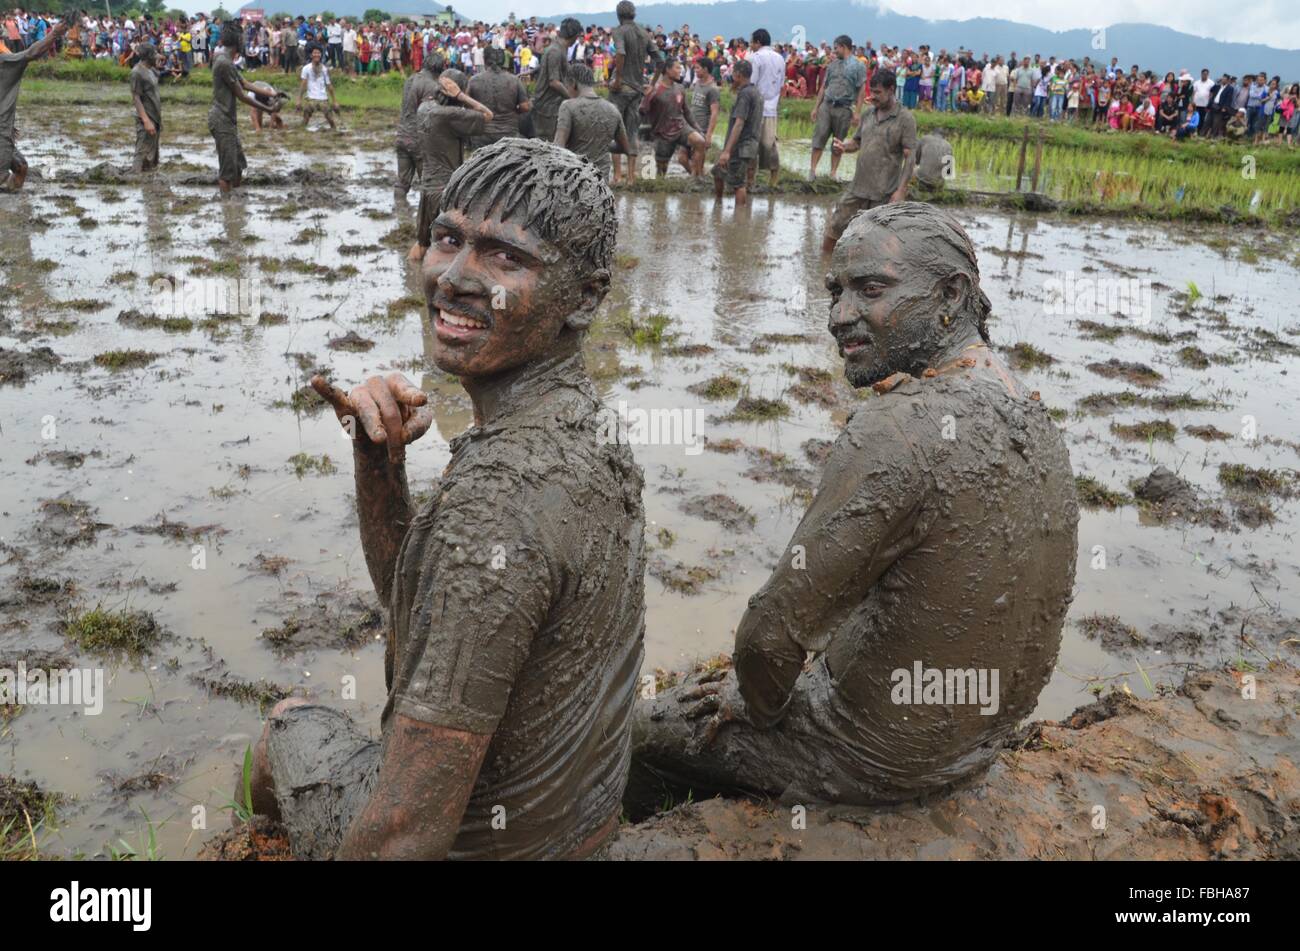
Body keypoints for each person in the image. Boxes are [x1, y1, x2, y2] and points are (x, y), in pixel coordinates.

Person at [244, 139, 645, 861]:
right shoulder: (593, 425)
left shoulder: (498, 500)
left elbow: (404, 838)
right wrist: (380, 462)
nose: (456, 277)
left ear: (583, 297)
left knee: (286, 727)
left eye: (504, 257)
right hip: (579, 830)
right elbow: (417, 610)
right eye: (447, 238)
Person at [628, 202, 1078, 814]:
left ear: (952, 294)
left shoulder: (900, 427)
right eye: (834, 291)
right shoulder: (1030, 410)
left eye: (871, 290)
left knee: (634, 734)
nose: (841, 316)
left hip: (873, 760)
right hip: (976, 745)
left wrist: (753, 704)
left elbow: (768, 639)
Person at [823, 67, 916, 255]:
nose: (873, 96)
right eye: (871, 91)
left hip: (883, 192)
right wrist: (843, 146)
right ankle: (823, 266)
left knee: (877, 241)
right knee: (835, 227)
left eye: (878, 92)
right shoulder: (868, 114)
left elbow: (910, 156)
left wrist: (900, 191)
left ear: (891, 90)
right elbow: (856, 142)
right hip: (857, 187)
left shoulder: (905, 118)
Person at [409, 69, 492, 261]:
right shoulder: (448, 114)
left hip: (427, 186)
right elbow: (487, 115)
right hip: (446, 191)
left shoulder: (424, 108)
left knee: (422, 242)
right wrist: (462, 96)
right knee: (452, 247)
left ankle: (410, 280)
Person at [210, 24, 281, 193]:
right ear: (237, 41)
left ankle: (236, 203)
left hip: (228, 120)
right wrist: (268, 109)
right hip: (221, 120)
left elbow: (246, 83)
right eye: (242, 39)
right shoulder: (223, 63)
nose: (245, 42)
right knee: (227, 171)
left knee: (239, 166)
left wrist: (272, 94)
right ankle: (228, 209)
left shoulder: (227, 61)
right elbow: (242, 95)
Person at [0, 18, 65, 192]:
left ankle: (11, 201)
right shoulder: (5, 62)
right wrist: (55, 33)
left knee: (21, 167)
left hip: (3, 128)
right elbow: (32, 53)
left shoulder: (6, 61)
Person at [608, 0, 659, 185]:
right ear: (634, 14)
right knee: (632, 132)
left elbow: (620, 52)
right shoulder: (644, 33)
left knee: (614, 131)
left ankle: (617, 175)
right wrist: (651, 84)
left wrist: (619, 79)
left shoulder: (619, 31)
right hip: (638, 89)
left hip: (621, 88)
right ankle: (630, 178)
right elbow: (659, 61)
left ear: (618, 15)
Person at [554, 62, 628, 181]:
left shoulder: (568, 106)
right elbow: (624, 147)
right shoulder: (613, 109)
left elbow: (558, 148)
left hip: (575, 180)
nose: (568, 92)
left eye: (567, 87)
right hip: (601, 183)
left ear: (573, 84)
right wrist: (602, 146)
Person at [809, 34, 866, 181]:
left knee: (838, 142)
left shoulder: (859, 66)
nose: (834, 51)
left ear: (844, 47)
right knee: (819, 137)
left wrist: (857, 113)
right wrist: (816, 107)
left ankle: (833, 173)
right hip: (827, 105)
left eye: (836, 48)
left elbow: (861, 90)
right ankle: (812, 171)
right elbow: (823, 86)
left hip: (845, 108)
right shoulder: (832, 65)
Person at [639, 58, 706, 178]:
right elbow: (642, 111)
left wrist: (698, 129)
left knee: (700, 142)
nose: (680, 71)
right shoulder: (655, 90)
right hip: (662, 133)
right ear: (668, 70)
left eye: (680, 68)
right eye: (677, 68)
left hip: (681, 127)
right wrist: (646, 97)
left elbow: (687, 112)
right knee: (661, 172)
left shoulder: (680, 88)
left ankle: (697, 178)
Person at [710, 57, 761, 207]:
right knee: (718, 172)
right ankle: (717, 204)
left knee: (738, 184)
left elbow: (739, 123)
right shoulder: (754, 91)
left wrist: (727, 151)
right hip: (746, 144)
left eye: (733, 74)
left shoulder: (745, 95)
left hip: (741, 146)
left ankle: (739, 221)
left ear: (738, 75)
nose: (732, 76)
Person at [395, 52, 442, 200]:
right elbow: (433, 116)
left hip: (402, 135)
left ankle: (401, 214)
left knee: (402, 182)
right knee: (428, 183)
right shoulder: (432, 86)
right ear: (438, 70)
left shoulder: (410, 80)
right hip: (419, 140)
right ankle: (425, 220)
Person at [467, 45, 529, 147]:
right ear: (503, 60)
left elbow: (467, 106)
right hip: (509, 133)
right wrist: (514, 111)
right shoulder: (514, 80)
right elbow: (525, 107)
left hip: (482, 135)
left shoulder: (474, 80)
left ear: (485, 60)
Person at [530, 18, 579, 142]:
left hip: (552, 106)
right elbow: (554, 82)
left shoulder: (559, 49)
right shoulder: (555, 51)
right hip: (547, 108)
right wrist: (572, 99)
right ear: (574, 36)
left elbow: (547, 67)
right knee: (548, 144)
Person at [747, 28, 783, 189]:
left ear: (758, 42)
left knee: (752, 143)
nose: (750, 45)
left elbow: (751, 83)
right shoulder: (780, 58)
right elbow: (781, 84)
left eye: (751, 42)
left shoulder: (756, 58)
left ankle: (750, 180)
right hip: (772, 106)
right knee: (770, 143)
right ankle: (773, 179)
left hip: (756, 106)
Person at [130, 43, 162, 173]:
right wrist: (146, 121)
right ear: (148, 57)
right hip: (147, 118)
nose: (157, 56)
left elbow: (158, 73)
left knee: (152, 157)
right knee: (141, 152)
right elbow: (136, 97)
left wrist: (158, 60)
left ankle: (148, 186)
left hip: (156, 117)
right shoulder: (137, 73)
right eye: (154, 54)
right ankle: (133, 180)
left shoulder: (151, 70)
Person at [298, 45, 339, 131]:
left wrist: (335, 101)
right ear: (311, 55)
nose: (317, 55)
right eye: (315, 53)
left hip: (323, 98)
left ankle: (334, 131)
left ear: (321, 55)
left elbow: (329, 85)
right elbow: (303, 85)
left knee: (331, 119)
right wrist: (299, 100)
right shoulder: (306, 68)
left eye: (318, 53)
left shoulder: (324, 69)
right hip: (311, 98)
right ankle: (301, 133)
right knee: (305, 118)